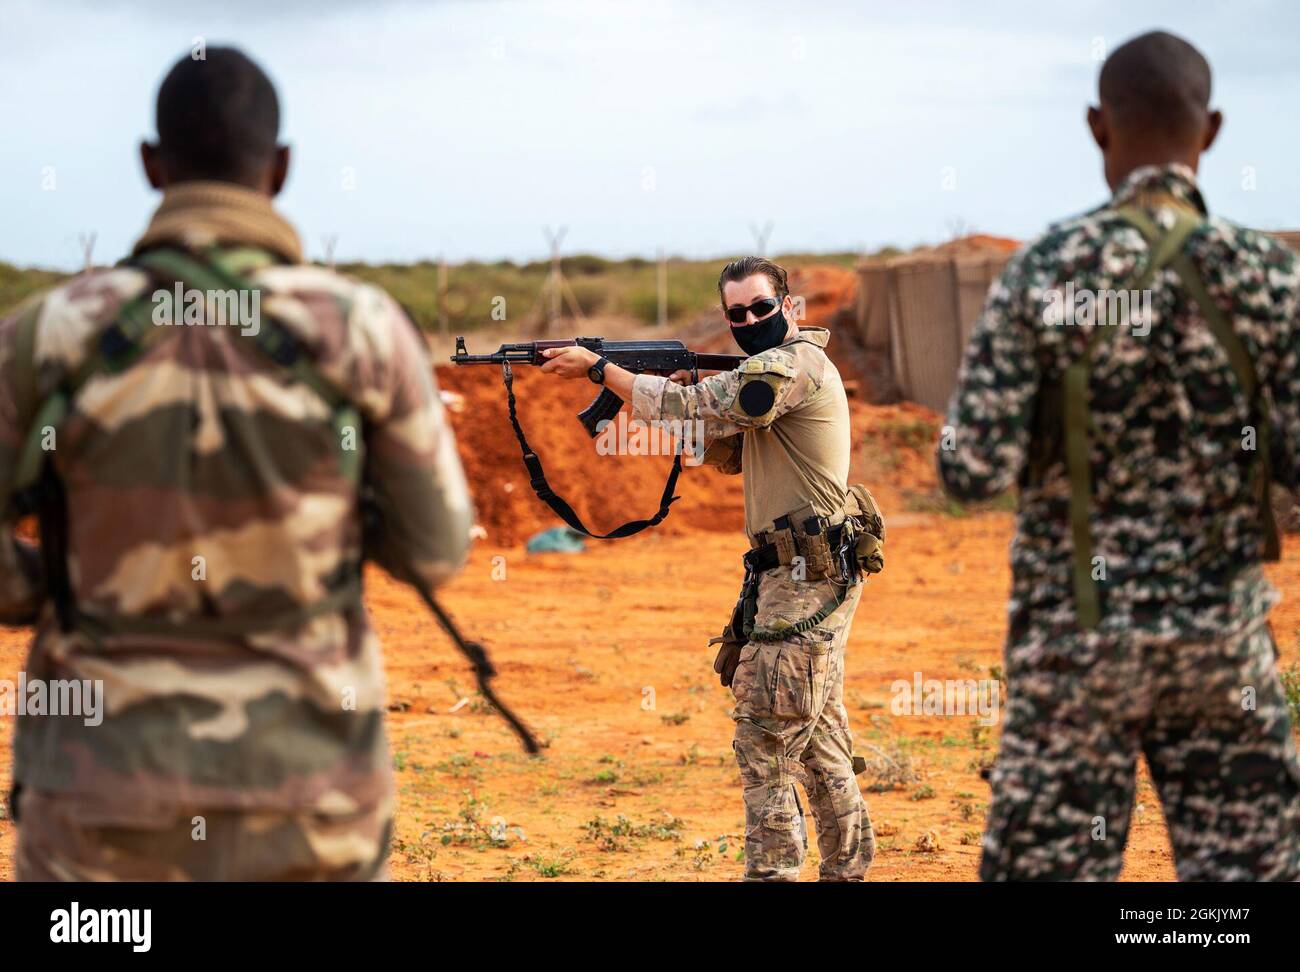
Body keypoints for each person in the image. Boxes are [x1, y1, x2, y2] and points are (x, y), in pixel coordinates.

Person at [0, 47, 473, 880]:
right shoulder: (362, 330)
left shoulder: (50, 334)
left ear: (151, 163)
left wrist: (55, 584)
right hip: (310, 797)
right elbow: (436, 548)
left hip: (101, 799)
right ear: (280, 168)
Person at [939, 29, 1300, 880]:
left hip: (1075, 645)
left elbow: (967, 471)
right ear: (1209, 131)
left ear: (1098, 126)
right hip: (1221, 646)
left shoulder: (1044, 273)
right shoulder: (1268, 279)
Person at [538, 256, 878, 881]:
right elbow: (725, 449)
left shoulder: (791, 366)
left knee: (766, 738)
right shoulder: (766, 373)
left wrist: (605, 371)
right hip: (791, 573)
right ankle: (848, 870)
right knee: (818, 737)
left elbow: (714, 404)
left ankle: (775, 874)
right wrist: (663, 394)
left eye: (761, 309)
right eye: (737, 314)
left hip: (807, 576)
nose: (750, 321)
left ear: (788, 308)